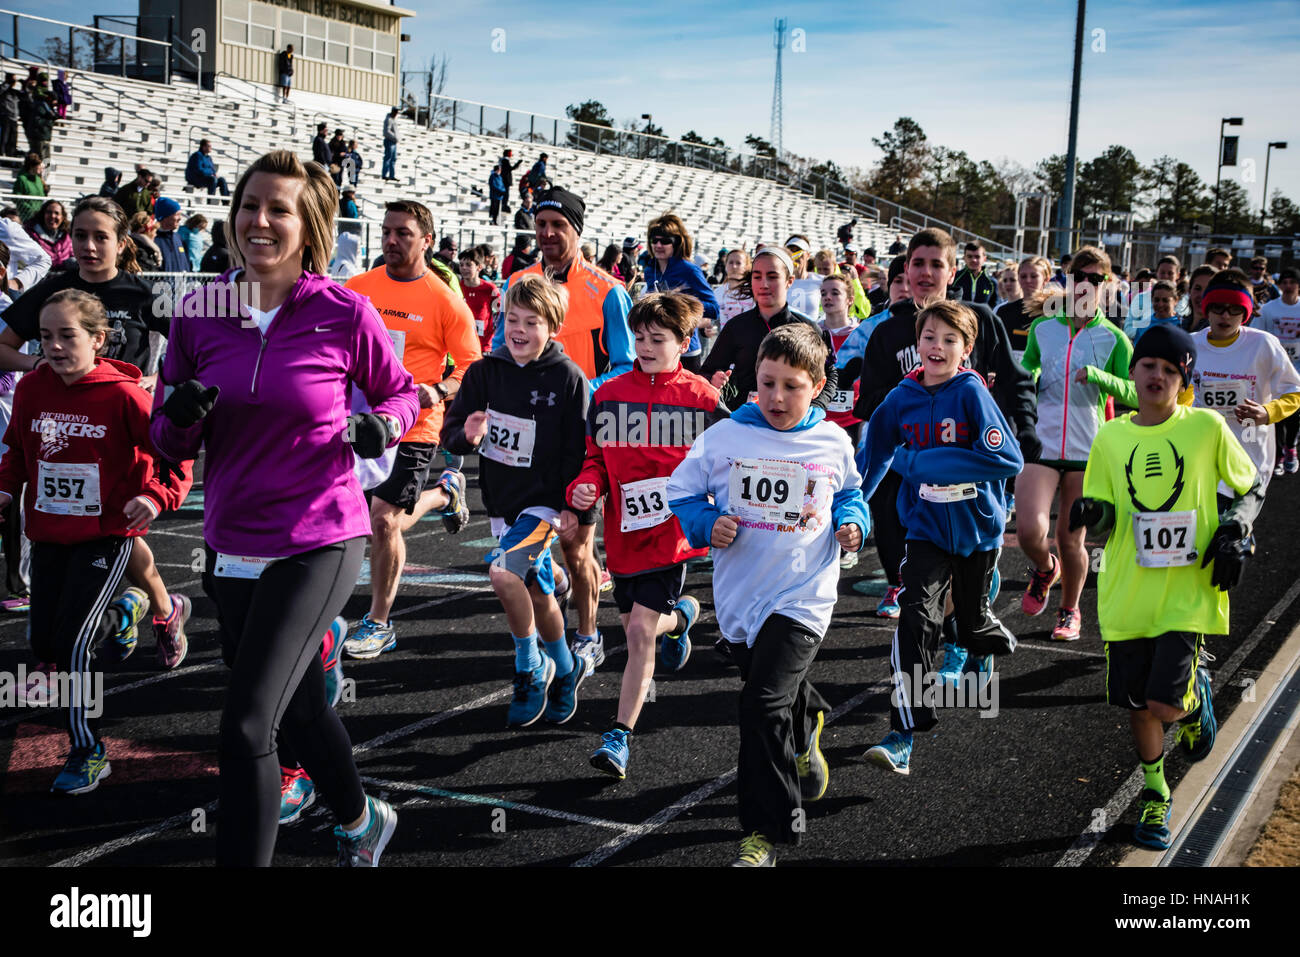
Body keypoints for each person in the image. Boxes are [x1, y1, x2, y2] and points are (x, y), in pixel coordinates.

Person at [150, 149, 418, 867]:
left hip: (319, 535)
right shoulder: (199, 310)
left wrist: (382, 427)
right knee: (298, 705)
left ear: (309, 227)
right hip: (232, 538)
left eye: (278, 209)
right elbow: (164, 436)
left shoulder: (343, 311)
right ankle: (364, 822)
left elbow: (403, 393)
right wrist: (178, 415)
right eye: (248, 205)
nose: (258, 221)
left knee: (246, 724)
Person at [668, 323, 869, 866]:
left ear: (819, 384)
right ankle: (807, 727)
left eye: (792, 386)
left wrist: (853, 524)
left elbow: (850, 493)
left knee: (759, 705)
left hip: (805, 595)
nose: (777, 397)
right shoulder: (725, 437)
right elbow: (680, 492)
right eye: (767, 383)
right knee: (773, 697)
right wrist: (708, 523)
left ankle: (764, 834)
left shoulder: (831, 441)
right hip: (742, 600)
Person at [1070, 323, 1260, 848]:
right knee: (1138, 704)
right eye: (1149, 366)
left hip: (1187, 591)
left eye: (1171, 370)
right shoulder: (1110, 436)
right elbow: (1106, 519)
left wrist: (1235, 529)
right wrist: (1093, 513)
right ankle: (1157, 797)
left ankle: (1193, 701)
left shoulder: (1206, 429)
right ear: (1132, 373)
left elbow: (1250, 486)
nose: (1157, 375)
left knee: (1165, 706)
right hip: (1128, 592)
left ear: (1184, 381)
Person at [0, 290, 181, 794]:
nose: (54, 347)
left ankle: (87, 750)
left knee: (78, 645)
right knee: (45, 647)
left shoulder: (124, 395)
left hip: (105, 535)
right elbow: (16, 448)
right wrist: (5, 487)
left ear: (99, 339)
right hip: (48, 535)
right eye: (45, 337)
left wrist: (156, 496)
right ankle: (125, 610)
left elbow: (173, 454)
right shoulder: (33, 389)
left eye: (67, 336)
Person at [0, 195, 191, 664]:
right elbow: (4, 347)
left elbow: (192, 354)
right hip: (64, 431)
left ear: (121, 242)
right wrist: (41, 367)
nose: (88, 246)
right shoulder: (52, 290)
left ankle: (152, 612)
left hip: (124, 431)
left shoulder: (141, 294)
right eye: (79, 235)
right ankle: (151, 609)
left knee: (118, 533)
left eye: (100, 236)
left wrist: (157, 380)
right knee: (107, 543)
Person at [857, 300, 1022, 775]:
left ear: (966, 350)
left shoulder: (971, 393)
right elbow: (877, 455)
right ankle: (902, 733)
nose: (937, 347)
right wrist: (855, 509)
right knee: (915, 618)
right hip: (925, 527)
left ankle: (983, 637)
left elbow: (1007, 460)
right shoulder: (901, 397)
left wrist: (926, 463)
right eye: (929, 337)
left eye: (950, 340)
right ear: (917, 345)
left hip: (977, 530)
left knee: (969, 623)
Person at [570, 292, 724, 778]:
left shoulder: (702, 399)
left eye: (658, 339)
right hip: (622, 536)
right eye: (639, 337)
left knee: (637, 631)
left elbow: (726, 461)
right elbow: (593, 457)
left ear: (684, 341)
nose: (645, 346)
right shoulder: (609, 393)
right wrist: (585, 486)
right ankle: (680, 620)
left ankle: (618, 736)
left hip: (672, 535)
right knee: (640, 623)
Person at [851, 228, 1038, 618]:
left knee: (965, 573)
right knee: (909, 549)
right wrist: (907, 408)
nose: (925, 272)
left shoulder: (981, 320)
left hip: (972, 469)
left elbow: (1015, 378)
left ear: (952, 273)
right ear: (904, 269)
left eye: (937, 264)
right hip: (912, 466)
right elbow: (867, 401)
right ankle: (901, 591)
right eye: (917, 263)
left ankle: (964, 639)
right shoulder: (886, 332)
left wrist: (1025, 427)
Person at [490, 186, 635, 674]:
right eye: (542, 225)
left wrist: (574, 386)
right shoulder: (519, 281)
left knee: (576, 544)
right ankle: (556, 610)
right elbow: (498, 350)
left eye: (559, 226)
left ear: (577, 230)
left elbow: (624, 364)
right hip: (524, 439)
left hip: (581, 437)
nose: (548, 234)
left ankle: (588, 634)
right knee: (526, 545)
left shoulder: (607, 292)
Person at [443, 273, 589, 727]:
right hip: (502, 503)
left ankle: (529, 667)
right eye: (512, 319)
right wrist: (466, 436)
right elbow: (452, 430)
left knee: (504, 574)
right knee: (536, 593)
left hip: (545, 504)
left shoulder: (568, 377)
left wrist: (575, 507)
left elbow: (582, 448)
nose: (519, 329)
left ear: (553, 327)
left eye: (532, 321)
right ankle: (566, 668)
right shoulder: (487, 372)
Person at [341, 200, 480, 659]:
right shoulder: (358, 288)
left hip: (416, 425)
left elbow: (470, 368)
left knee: (382, 520)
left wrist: (437, 391)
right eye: (386, 231)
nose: (391, 240)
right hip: (358, 422)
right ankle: (444, 494)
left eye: (402, 232)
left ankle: (378, 621)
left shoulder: (445, 301)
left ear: (427, 241)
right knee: (359, 521)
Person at [1015, 246, 1138, 644]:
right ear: (1067, 280)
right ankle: (1044, 568)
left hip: (1089, 450)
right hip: (1042, 443)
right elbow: (1030, 366)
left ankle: (1070, 610)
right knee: (1030, 532)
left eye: (1096, 279)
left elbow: (1138, 394)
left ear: (1108, 285)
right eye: (1078, 276)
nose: (1086, 284)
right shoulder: (1043, 327)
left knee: (1071, 539)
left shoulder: (1115, 338)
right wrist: (1025, 377)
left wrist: (1103, 379)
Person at [1190, 268, 1300, 501]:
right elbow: (1178, 394)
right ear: (1207, 307)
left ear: (1246, 312)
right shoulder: (1190, 345)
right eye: (1218, 307)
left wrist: (1267, 412)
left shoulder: (1263, 344)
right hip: (1202, 453)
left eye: (1235, 309)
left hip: (1250, 452)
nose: (1226, 316)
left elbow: (1295, 392)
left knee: (1235, 527)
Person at [700, 247, 839, 414]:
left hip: (790, 423)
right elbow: (707, 372)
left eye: (772, 277)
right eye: (757, 276)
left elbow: (829, 373)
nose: (764, 284)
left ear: (790, 281)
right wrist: (714, 380)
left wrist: (815, 407)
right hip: (745, 420)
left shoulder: (807, 327)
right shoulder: (736, 327)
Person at [640, 213, 718, 373]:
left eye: (665, 241)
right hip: (658, 347)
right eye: (655, 240)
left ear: (676, 243)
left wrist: (682, 301)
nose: (659, 245)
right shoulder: (650, 271)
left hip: (686, 350)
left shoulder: (689, 270)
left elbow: (714, 308)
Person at [1255, 268, 1300, 475]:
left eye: (1293, 282)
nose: (1289, 286)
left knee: (1295, 412)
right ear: (1280, 285)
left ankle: (1291, 448)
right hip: (1275, 369)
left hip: (1298, 369)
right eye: (1286, 282)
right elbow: (1258, 335)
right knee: (1276, 411)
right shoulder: (1269, 309)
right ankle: (1280, 453)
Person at [996, 255, 1053, 364]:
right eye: (1023, 276)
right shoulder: (1003, 311)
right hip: (1010, 375)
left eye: (1034, 276)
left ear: (1046, 279)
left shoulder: (1054, 313)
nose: (1028, 280)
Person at [460, 246, 501, 353]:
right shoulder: (457, 287)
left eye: (468, 265)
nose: (463, 268)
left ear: (479, 267)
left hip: (483, 346)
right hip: (461, 344)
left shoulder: (490, 289)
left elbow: (500, 314)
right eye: (461, 265)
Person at [712, 247, 754, 331]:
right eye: (730, 262)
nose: (734, 266)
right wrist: (705, 330)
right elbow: (711, 321)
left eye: (738, 263)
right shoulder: (717, 292)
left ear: (746, 266)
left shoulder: (753, 291)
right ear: (725, 265)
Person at [950, 241, 998, 308]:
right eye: (969, 256)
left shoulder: (992, 283)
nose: (973, 260)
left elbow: (994, 309)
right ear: (964, 258)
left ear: (984, 259)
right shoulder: (955, 278)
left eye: (977, 257)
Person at [26, 199, 72, 268]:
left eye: (56, 213)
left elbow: (73, 255)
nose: (52, 216)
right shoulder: (32, 236)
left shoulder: (67, 237)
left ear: (62, 217)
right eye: (49, 212)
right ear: (43, 215)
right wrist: (64, 264)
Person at [152, 198, 189, 274]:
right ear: (165, 217)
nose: (180, 218)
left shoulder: (178, 238)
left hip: (181, 284)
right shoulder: (153, 240)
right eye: (177, 214)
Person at [13, 153, 46, 222]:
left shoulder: (39, 180)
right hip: (26, 218)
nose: (40, 167)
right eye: (38, 165)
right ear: (31, 166)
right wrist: (31, 210)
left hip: (38, 218)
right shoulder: (22, 179)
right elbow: (16, 198)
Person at [0, 74, 20, 158]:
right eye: (13, 80)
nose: (14, 82)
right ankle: (1, 154)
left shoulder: (14, 92)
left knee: (13, 139)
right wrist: (7, 83)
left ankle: (10, 156)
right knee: (4, 138)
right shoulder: (3, 89)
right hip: (6, 117)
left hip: (14, 118)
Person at [382, 107, 399, 181]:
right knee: (388, 158)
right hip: (389, 141)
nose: (396, 113)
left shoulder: (393, 119)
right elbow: (387, 131)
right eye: (395, 112)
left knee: (393, 159)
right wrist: (395, 137)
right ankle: (385, 174)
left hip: (393, 142)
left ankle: (392, 175)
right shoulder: (388, 119)